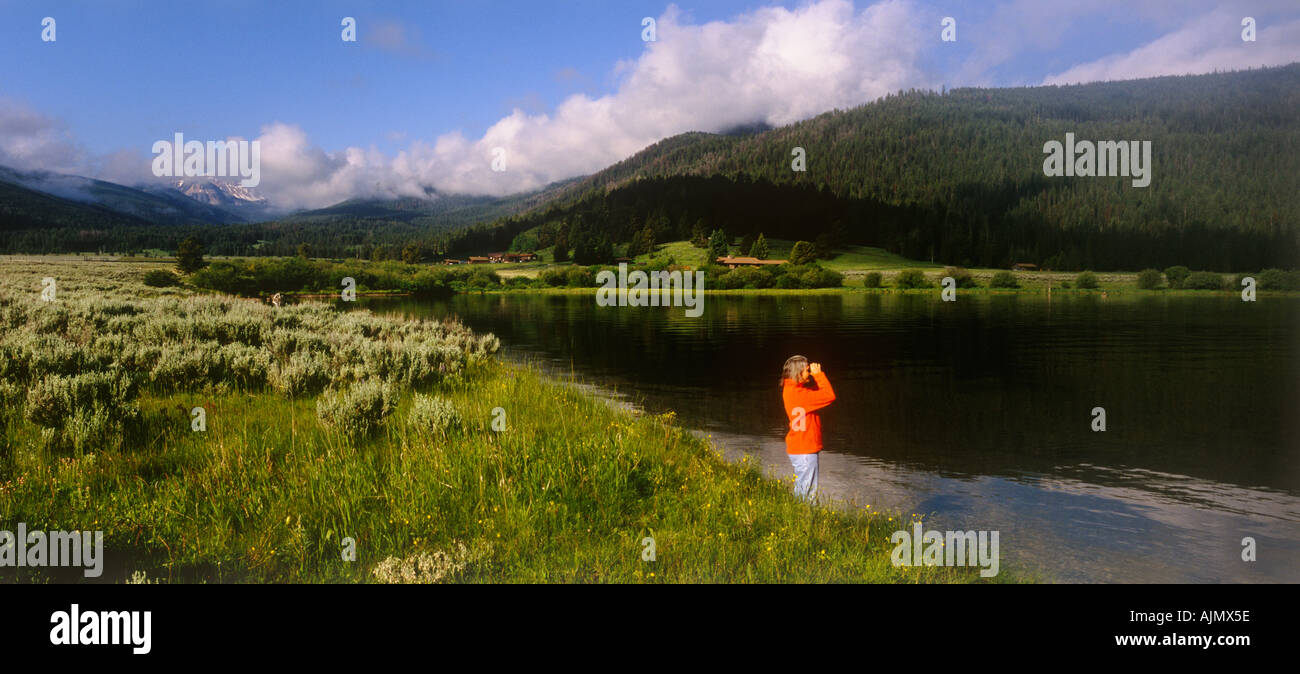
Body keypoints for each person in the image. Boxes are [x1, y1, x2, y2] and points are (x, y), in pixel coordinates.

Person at [780, 355, 835, 502]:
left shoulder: (791, 389)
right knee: (808, 491)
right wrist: (819, 375)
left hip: (799, 447)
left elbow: (812, 395)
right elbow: (829, 396)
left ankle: (799, 515)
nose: (809, 373)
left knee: (803, 487)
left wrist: (814, 380)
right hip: (805, 449)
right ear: (798, 373)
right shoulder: (801, 395)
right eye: (807, 370)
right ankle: (804, 519)